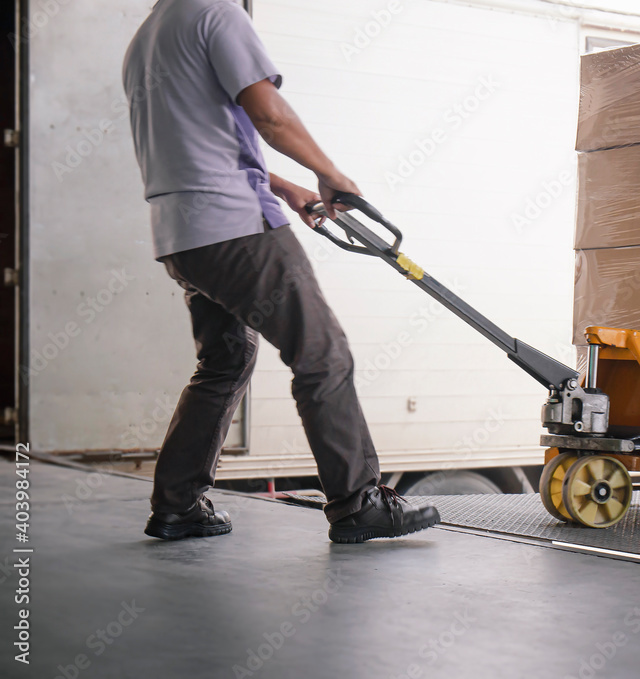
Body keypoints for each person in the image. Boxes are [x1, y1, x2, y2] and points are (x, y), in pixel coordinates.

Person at [122, 0, 439, 543]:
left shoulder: (148, 36)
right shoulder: (216, 13)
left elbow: (199, 142)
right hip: (236, 227)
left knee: (224, 362)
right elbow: (268, 115)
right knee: (322, 354)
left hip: (182, 235)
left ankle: (177, 505)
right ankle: (357, 502)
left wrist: (286, 186)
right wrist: (330, 174)